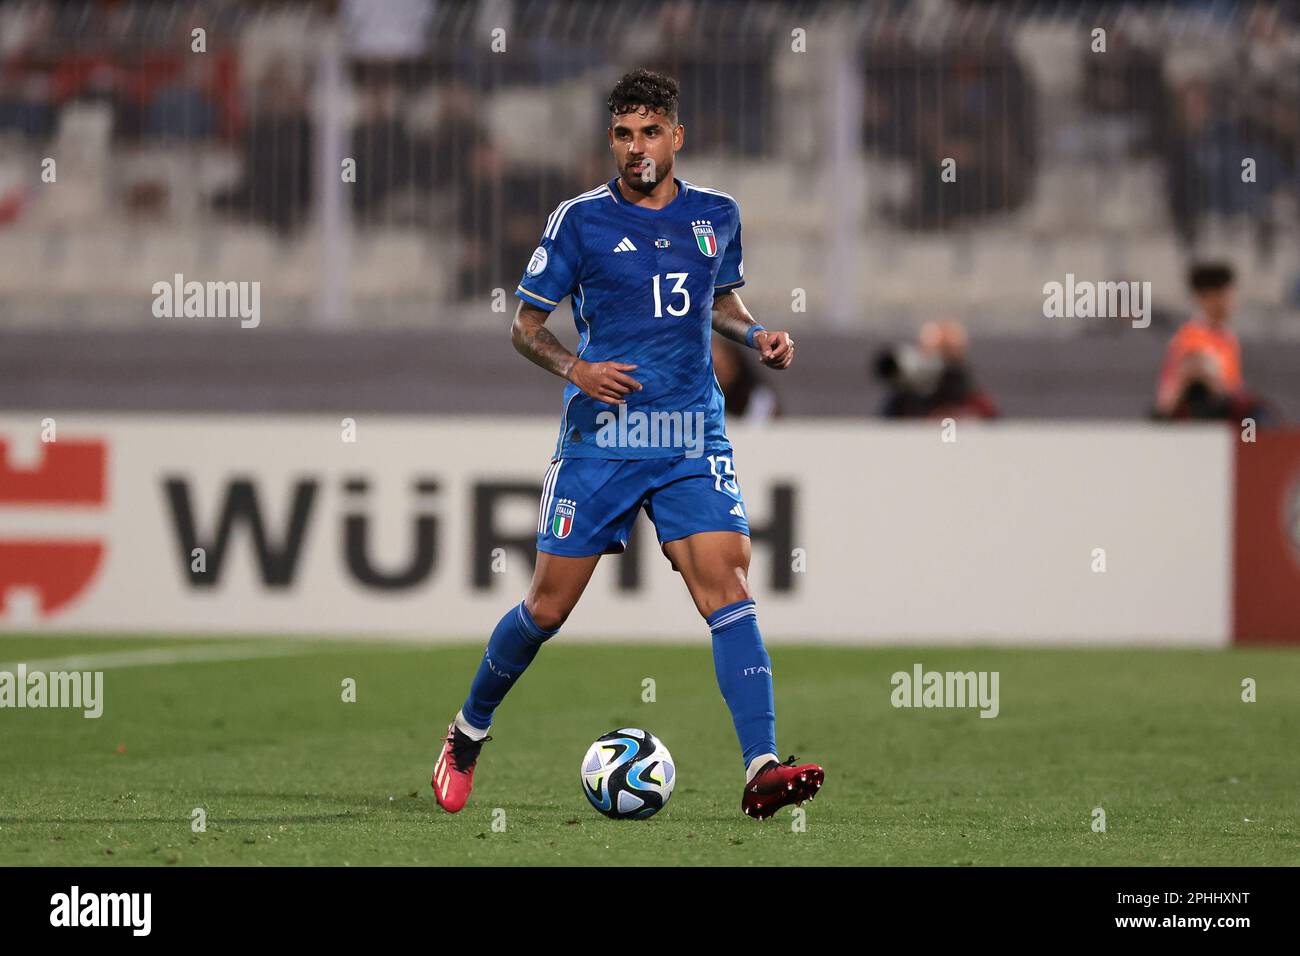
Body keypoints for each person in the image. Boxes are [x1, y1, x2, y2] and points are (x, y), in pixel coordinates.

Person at [432, 69, 824, 820]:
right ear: (610, 139)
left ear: (676, 136)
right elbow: (525, 327)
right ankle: (467, 732)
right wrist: (575, 366)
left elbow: (718, 299)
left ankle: (762, 765)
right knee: (547, 609)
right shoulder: (578, 221)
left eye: (650, 132)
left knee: (728, 588)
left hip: (688, 435)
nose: (636, 147)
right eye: (622, 133)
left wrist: (757, 333)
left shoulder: (717, 214)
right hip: (603, 441)